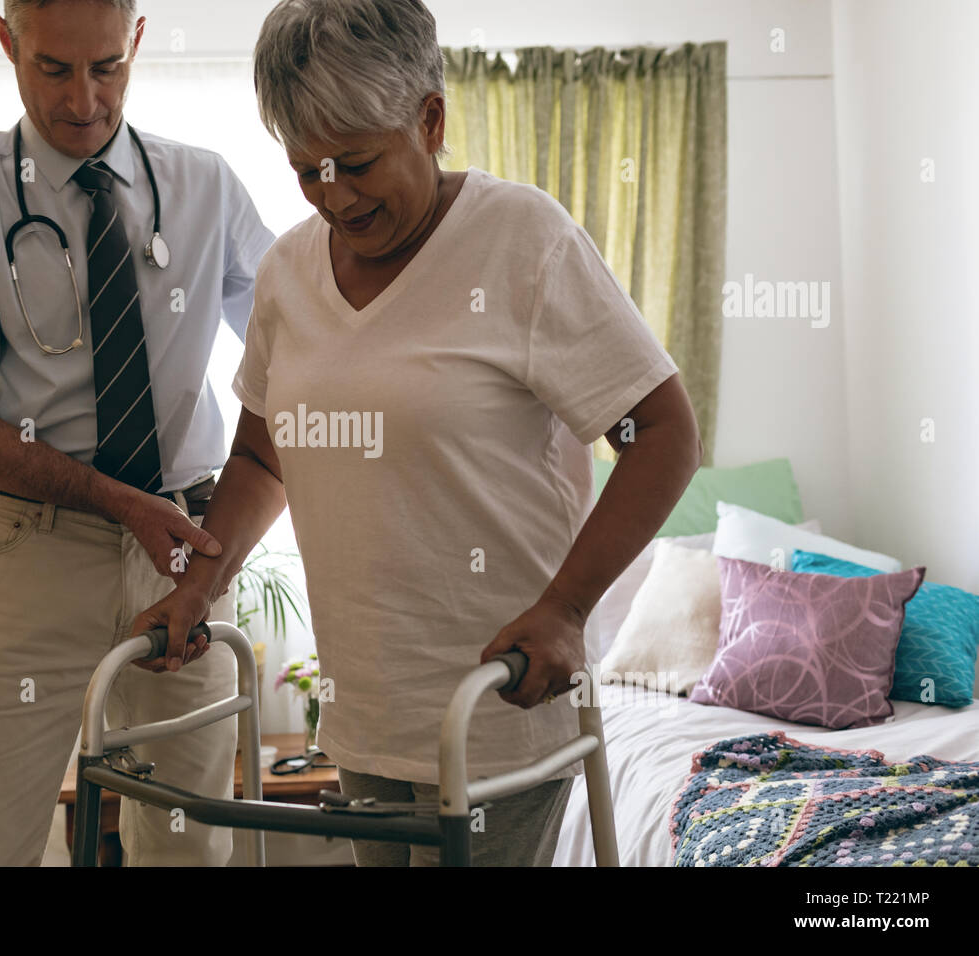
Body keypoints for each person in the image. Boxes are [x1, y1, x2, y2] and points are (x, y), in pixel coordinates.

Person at [133, 0, 702, 867]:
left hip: (499, 705)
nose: (335, 197)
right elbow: (260, 454)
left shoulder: (521, 239)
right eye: (307, 170)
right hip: (366, 711)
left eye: (357, 164)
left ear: (429, 119)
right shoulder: (289, 271)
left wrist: (566, 610)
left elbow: (662, 431)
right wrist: (201, 586)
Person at [0, 0, 274, 865]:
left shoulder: (206, 186)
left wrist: (211, 562)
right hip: (33, 551)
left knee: (191, 848)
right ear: (6, 40)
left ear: (137, 40)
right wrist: (118, 502)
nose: (82, 102)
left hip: (185, 554)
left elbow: (301, 356)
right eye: (53, 68)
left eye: (106, 67)